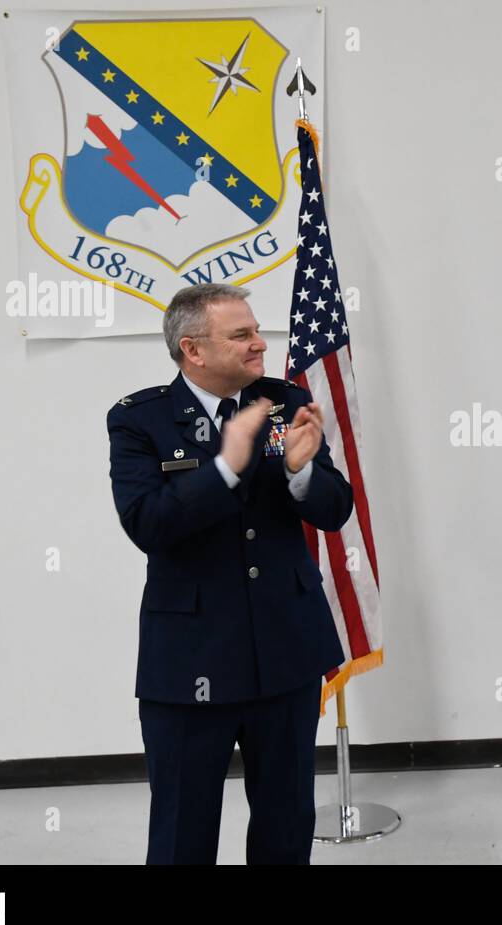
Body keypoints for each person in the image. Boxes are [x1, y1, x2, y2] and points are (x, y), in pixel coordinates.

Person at [106, 282, 353, 864]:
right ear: (193, 349)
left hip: (284, 653)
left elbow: (336, 508)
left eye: (256, 331)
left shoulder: (284, 403)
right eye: (240, 335)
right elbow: (148, 524)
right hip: (191, 660)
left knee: (286, 825)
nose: (258, 345)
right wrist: (223, 468)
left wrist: (299, 473)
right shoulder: (140, 421)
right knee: (182, 833)